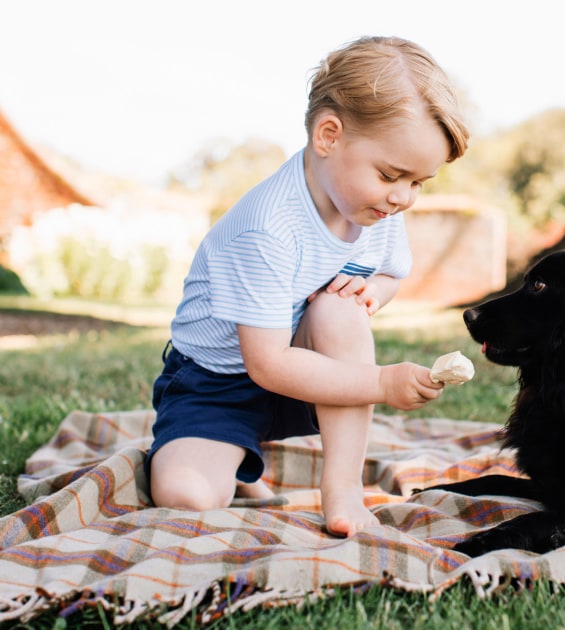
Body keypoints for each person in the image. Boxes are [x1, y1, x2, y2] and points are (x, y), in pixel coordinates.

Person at [147, 35, 470, 538]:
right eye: (392, 175)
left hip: (308, 369)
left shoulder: (375, 206)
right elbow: (267, 363)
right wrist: (382, 383)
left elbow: (389, 275)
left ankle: (341, 490)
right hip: (218, 382)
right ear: (328, 135)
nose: (404, 197)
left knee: (340, 312)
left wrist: (371, 295)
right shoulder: (267, 228)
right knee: (186, 498)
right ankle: (229, 456)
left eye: (419, 182)